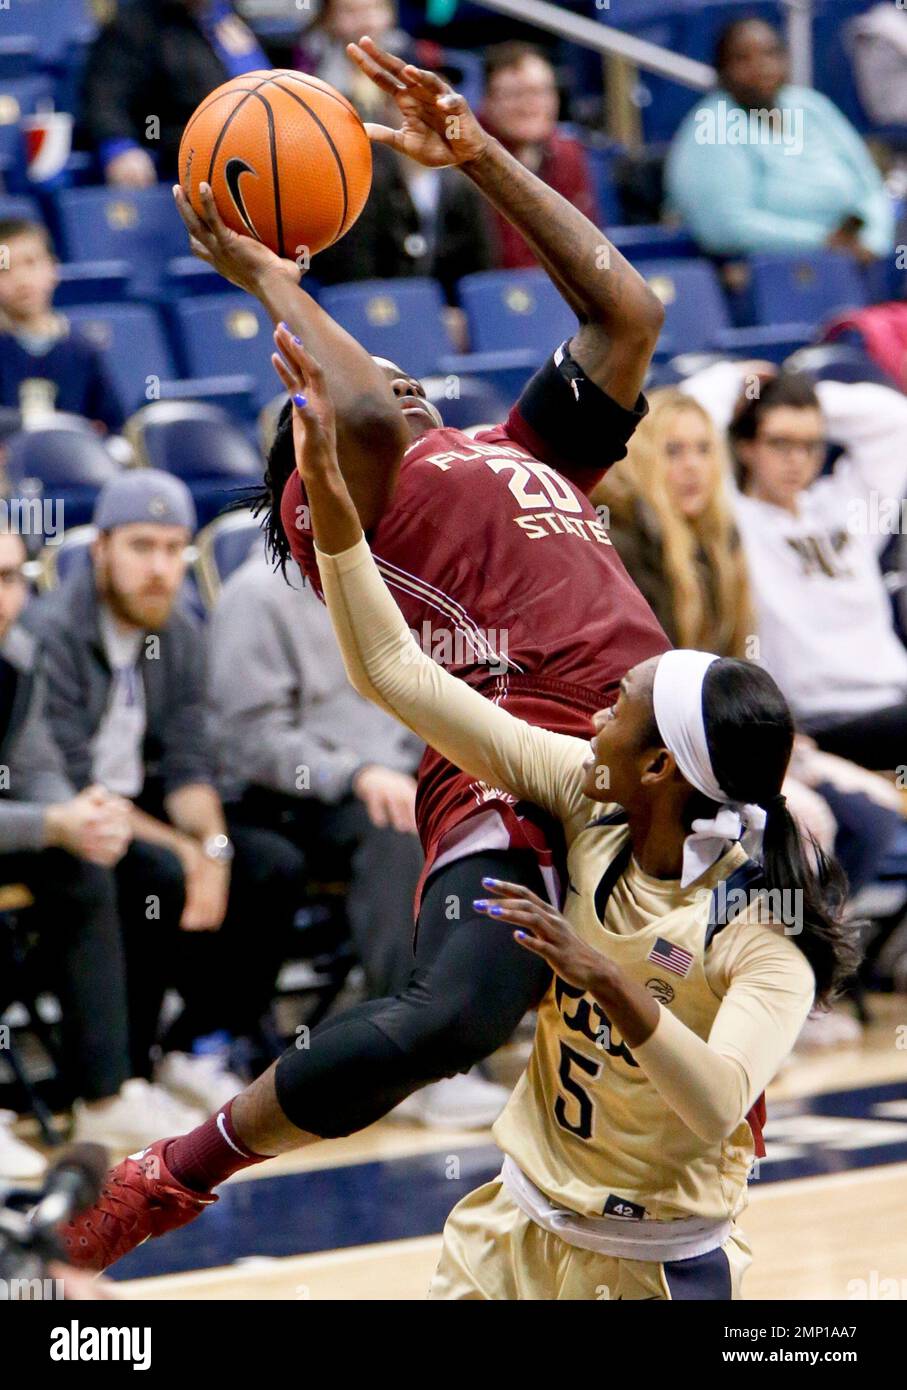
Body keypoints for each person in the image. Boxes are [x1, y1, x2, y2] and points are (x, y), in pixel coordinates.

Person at [58, 37, 671, 1271]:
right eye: (333, 400)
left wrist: (479, 156)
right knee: (443, 1017)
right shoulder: (348, 490)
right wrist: (268, 280)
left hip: (657, 754)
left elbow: (627, 309)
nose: (383, 382)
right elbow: (351, 414)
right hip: (522, 767)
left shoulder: (515, 447)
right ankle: (170, 1174)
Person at [138, 340, 859, 1299]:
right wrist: (335, 510)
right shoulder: (581, 797)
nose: (593, 708)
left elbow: (721, 1099)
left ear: (657, 766)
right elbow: (396, 670)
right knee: (448, 1009)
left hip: (649, 1270)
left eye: (620, 705)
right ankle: (176, 1168)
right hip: (511, 1227)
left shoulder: (764, 932)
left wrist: (607, 980)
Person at [28, 472, 304, 1111]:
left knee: (267, 865)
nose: (160, 568)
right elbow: (66, 780)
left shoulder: (176, 629)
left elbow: (188, 761)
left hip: (140, 802)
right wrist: (184, 854)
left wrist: (210, 845)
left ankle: (193, 1044)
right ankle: (124, 1074)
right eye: (140, 546)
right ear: (100, 549)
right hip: (68, 813)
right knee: (157, 873)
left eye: (173, 550)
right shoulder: (53, 635)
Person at [0, 531, 204, 1170]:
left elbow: (35, 765)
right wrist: (53, 822)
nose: (2, 598)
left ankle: (108, 1090)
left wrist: (76, 816)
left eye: (9, 578)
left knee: (111, 867)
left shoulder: (16, 654)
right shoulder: (58, 639)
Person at [683, 361, 907, 772]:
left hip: (896, 701)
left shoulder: (843, 507)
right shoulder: (734, 520)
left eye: (811, 444)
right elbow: (688, 414)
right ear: (746, 447)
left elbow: (896, 420)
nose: (797, 459)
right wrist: (742, 384)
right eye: (780, 443)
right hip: (825, 722)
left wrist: (805, 395)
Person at [665, 18, 894, 262]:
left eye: (770, 53)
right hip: (769, 273)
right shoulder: (711, 125)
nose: (761, 66)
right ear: (722, 70)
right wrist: (824, 242)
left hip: (858, 260)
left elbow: (871, 187)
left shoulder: (811, 106)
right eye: (743, 58)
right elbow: (722, 226)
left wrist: (873, 241)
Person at [592, 388, 752, 655]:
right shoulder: (619, 541)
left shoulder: (720, 534)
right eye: (673, 451)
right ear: (641, 460)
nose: (693, 465)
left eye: (703, 449)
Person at [79, 0, 270, 187]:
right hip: (173, 154)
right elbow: (106, 100)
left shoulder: (229, 20)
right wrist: (120, 148)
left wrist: (245, 61)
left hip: (244, 157)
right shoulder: (134, 25)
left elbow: (264, 97)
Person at [479, 42, 599, 270]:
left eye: (541, 92)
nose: (530, 105)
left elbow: (589, 248)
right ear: (488, 101)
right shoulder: (468, 158)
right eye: (514, 94)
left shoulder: (568, 154)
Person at [0, 220, 123, 432]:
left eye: (30, 263)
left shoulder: (82, 350)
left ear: (53, 268)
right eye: (5, 269)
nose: (20, 279)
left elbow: (113, 424)